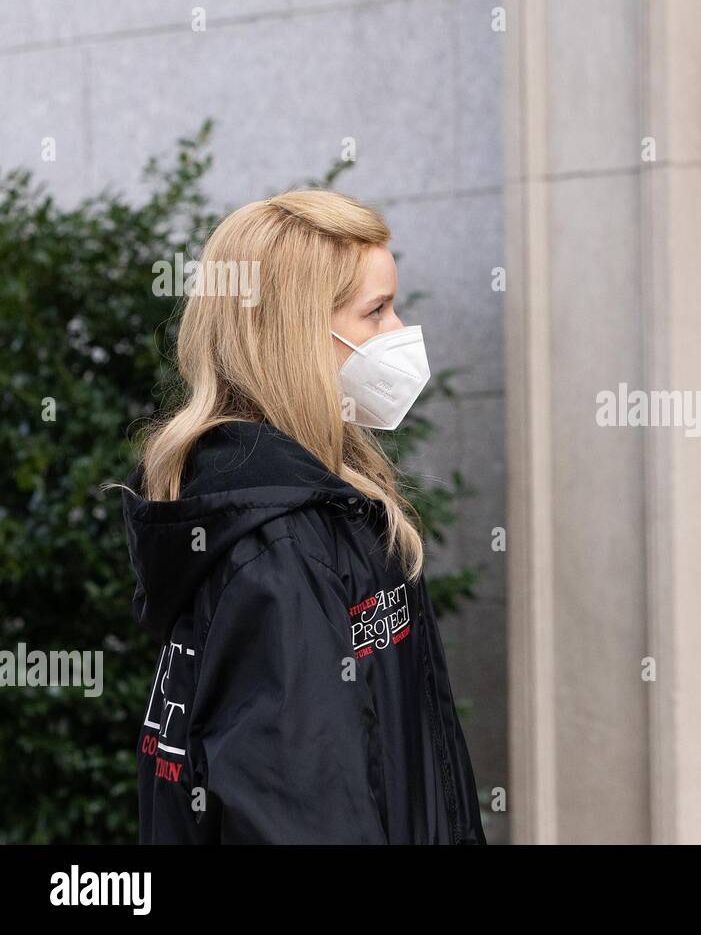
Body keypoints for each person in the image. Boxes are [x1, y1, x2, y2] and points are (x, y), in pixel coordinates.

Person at [120, 189, 485, 844]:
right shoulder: (280, 547)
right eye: (375, 312)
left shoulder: (308, 507)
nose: (399, 333)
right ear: (294, 336)